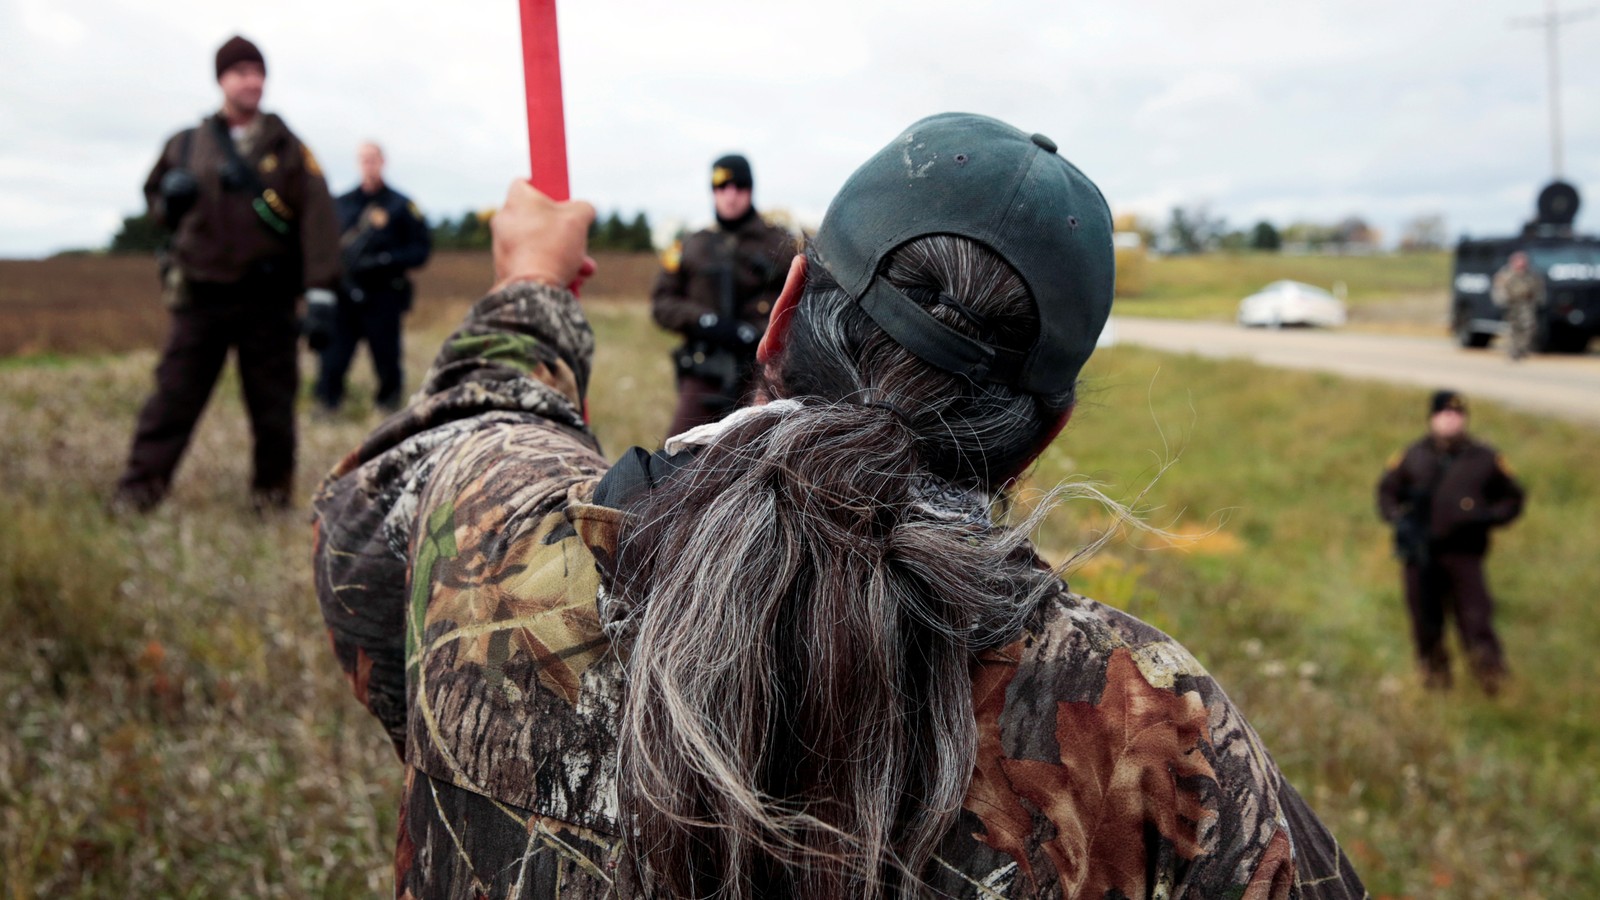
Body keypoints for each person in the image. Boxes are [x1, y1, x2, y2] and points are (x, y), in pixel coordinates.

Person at [313, 114, 1367, 898]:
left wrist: (531, 290)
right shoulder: (1144, 724)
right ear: (1041, 436)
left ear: (782, 318)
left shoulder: (496, 536)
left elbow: (413, 489)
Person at [113, 35, 339, 512]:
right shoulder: (187, 143)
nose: (252, 81)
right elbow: (155, 204)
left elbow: (318, 220)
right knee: (171, 401)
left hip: (267, 299)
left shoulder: (290, 147)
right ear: (222, 80)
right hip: (200, 295)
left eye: (258, 72)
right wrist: (167, 202)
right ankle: (137, 496)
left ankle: (272, 500)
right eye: (241, 72)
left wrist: (321, 293)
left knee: (273, 410)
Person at [1378, 390, 1524, 693]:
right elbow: (1386, 491)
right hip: (1420, 555)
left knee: (1476, 620)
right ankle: (1435, 681)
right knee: (1425, 623)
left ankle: (1492, 682)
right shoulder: (1412, 455)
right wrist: (1399, 519)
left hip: (1465, 554)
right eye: (1444, 414)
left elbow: (1513, 498)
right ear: (1432, 418)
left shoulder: (1484, 458)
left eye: (1457, 414)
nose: (1451, 419)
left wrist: (1486, 516)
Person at [651, 153, 796, 436]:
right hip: (706, 370)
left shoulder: (779, 243)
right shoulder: (692, 245)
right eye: (722, 188)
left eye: (739, 187)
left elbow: (798, 298)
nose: (731, 196)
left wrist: (757, 332)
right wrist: (707, 322)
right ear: (713, 192)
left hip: (761, 372)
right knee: (678, 457)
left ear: (750, 190)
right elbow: (662, 303)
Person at [314, 142, 432, 414]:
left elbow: (420, 250)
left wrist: (386, 260)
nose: (369, 165)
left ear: (383, 162)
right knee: (333, 357)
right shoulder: (340, 204)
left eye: (374, 159)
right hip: (344, 295)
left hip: (383, 295)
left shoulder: (401, 206)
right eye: (364, 160)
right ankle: (328, 405)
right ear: (357, 163)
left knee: (387, 358)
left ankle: (388, 408)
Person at [1491, 251, 1544, 361]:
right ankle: (1513, 350)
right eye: (1519, 261)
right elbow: (1499, 289)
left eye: (1523, 261)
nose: (1522, 264)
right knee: (1512, 328)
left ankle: (1522, 349)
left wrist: (1538, 300)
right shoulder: (1506, 274)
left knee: (1528, 327)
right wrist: (1502, 300)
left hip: (1526, 304)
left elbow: (1538, 288)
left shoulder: (1531, 274)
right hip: (1511, 304)